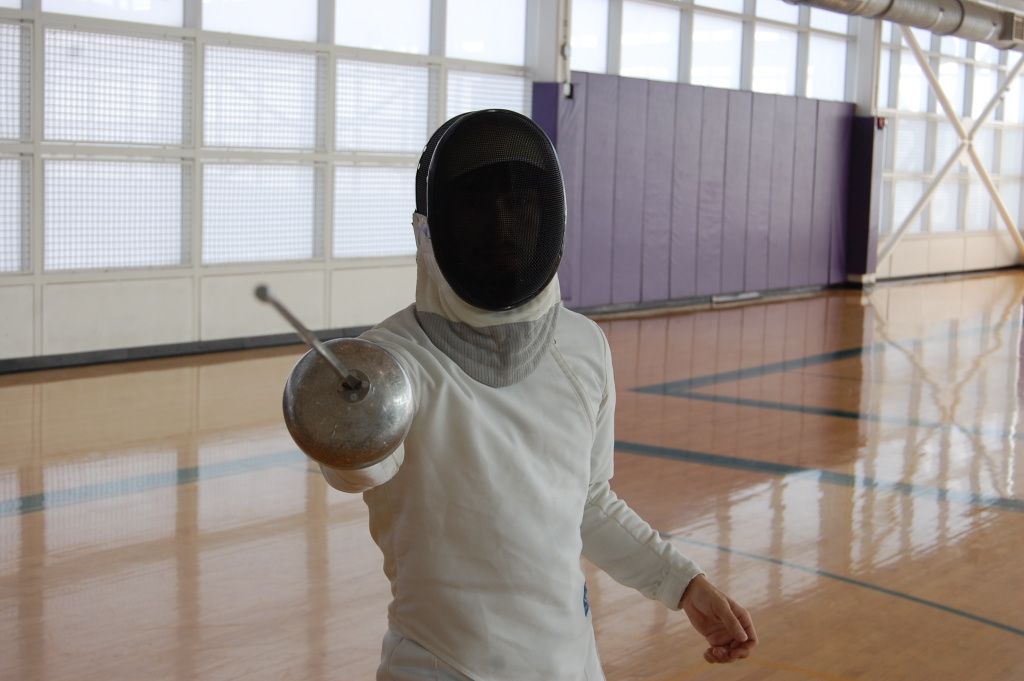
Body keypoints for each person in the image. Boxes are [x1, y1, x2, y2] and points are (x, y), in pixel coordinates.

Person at [316, 109, 757, 680]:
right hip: (441, 666)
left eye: (518, 202)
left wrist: (685, 585)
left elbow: (589, 502)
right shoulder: (391, 362)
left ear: (548, 214)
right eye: (477, 204)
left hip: (570, 663)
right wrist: (341, 418)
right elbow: (359, 470)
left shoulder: (582, 346)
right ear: (432, 229)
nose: (501, 223)